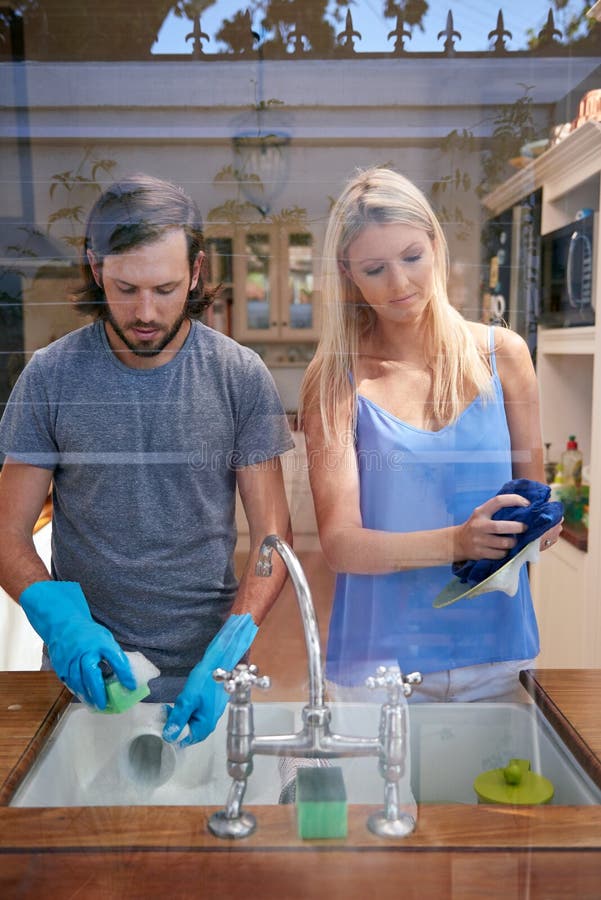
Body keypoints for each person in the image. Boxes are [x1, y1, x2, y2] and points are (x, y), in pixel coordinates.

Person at [0, 174, 294, 745]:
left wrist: (231, 645)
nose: (145, 311)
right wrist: (60, 620)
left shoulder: (238, 376)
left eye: (165, 288)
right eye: (126, 287)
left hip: (203, 676)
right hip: (85, 681)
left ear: (197, 271)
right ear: (95, 267)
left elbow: (271, 538)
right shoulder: (50, 377)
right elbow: (8, 533)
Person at [299, 166, 562, 703]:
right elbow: (341, 545)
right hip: (378, 668)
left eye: (412, 257)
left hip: (497, 653)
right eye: (375, 269)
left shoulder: (504, 356)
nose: (399, 284)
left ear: (436, 245)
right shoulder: (334, 380)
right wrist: (458, 543)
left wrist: (540, 523)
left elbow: (536, 501)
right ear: (348, 273)